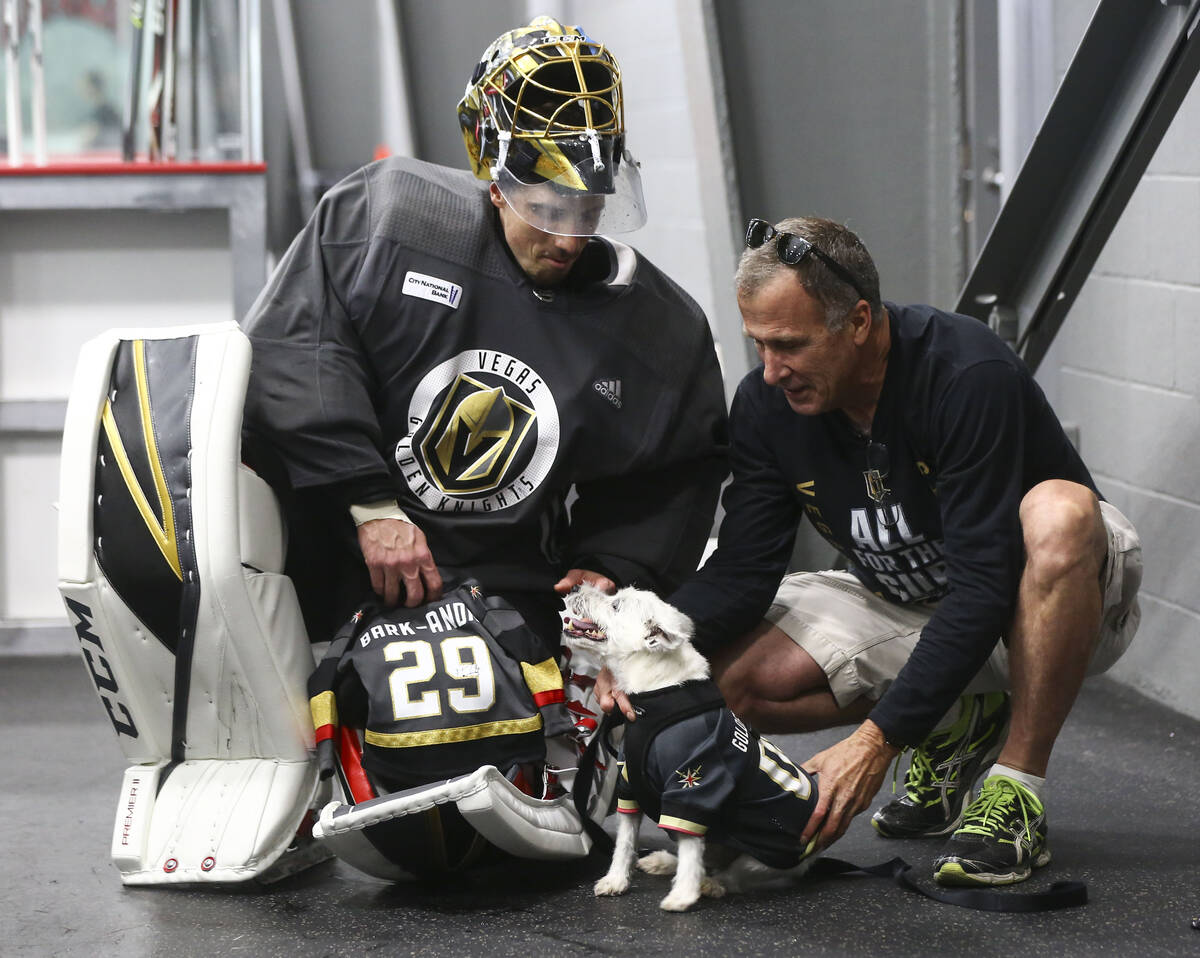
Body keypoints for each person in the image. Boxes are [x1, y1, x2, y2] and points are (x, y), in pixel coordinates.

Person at [607, 215, 1142, 888]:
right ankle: (955, 718)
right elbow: (743, 570)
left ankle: (1017, 786)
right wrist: (640, 651)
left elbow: (983, 585)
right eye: (759, 345)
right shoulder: (767, 407)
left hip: (1049, 597)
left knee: (1058, 514)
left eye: (790, 345)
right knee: (720, 671)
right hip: (911, 600)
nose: (771, 371)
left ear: (858, 322)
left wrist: (877, 741)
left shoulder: (965, 372)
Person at [239, 16, 728, 657]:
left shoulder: (659, 327)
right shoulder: (387, 222)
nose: (569, 240)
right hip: (338, 564)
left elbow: (678, 466)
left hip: (513, 589)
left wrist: (616, 558)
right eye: (548, 209)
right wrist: (369, 505)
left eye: (588, 210)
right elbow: (297, 351)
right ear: (494, 181)